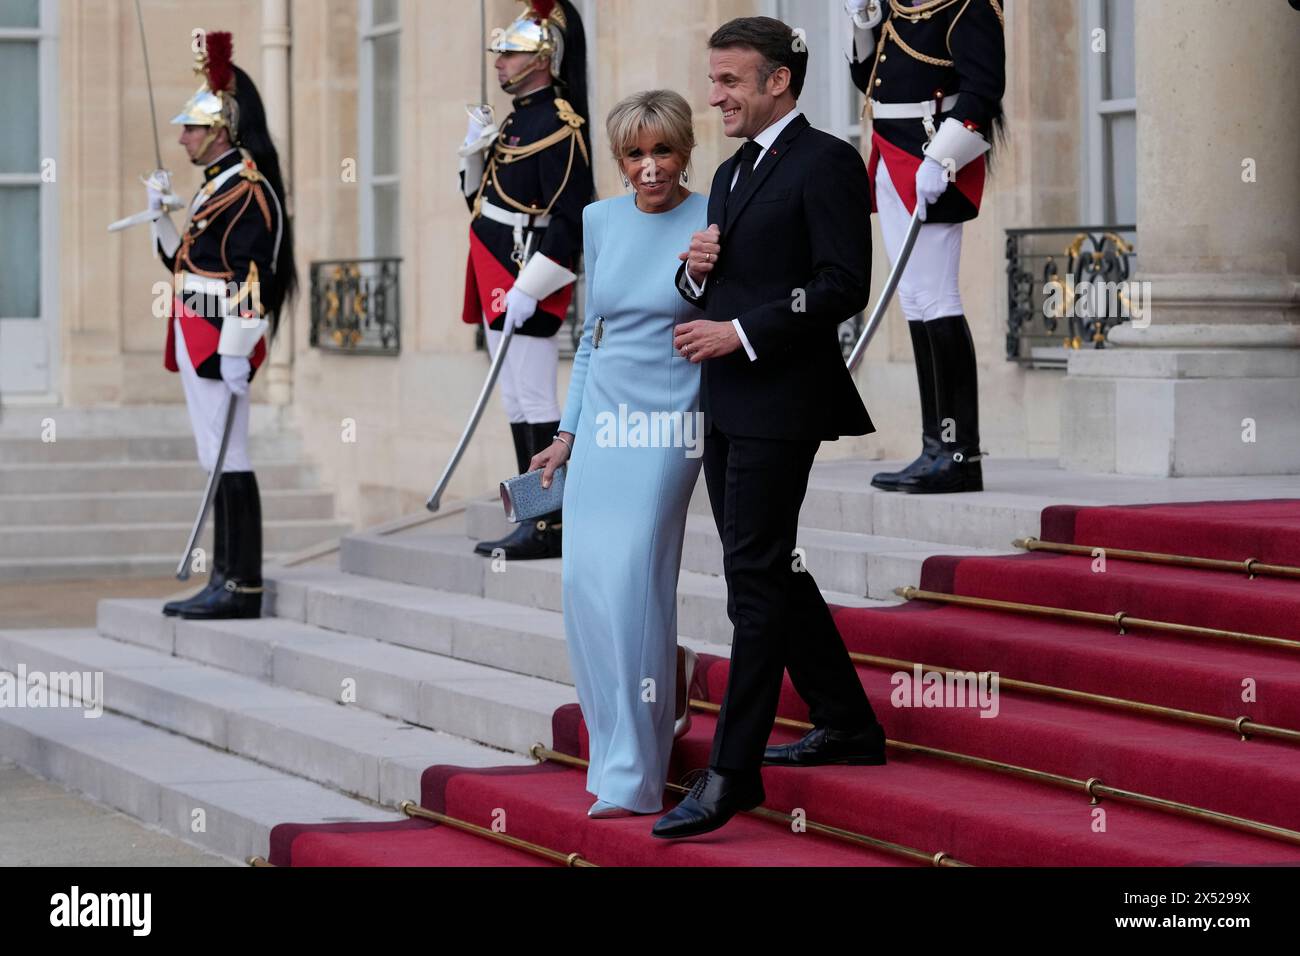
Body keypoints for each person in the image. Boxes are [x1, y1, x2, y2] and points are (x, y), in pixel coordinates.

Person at [652, 17, 887, 840]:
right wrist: (695, 270)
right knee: (769, 568)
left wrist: (742, 332)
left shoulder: (825, 160)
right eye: (712, 80)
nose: (713, 96)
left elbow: (841, 283)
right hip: (728, 398)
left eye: (729, 82)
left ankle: (732, 772)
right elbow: (709, 285)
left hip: (781, 399)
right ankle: (847, 722)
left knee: (752, 581)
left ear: (777, 81)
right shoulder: (729, 171)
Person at [531, 90, 709, 818]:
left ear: (684, 150)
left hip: (671, 422)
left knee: (634, 578)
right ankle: (614, 746)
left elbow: (719, 311)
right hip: (602, 420)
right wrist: (568, 433)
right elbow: (593, 335)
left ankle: (637, 772)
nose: (648, 167)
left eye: (661, 150)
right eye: (634, 154)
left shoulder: (711, 214)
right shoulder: (597, 219)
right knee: (586, 591)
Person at [151, 31, 297, 620]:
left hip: (219, 335)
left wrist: (239, 350)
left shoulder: (247, 189)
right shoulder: (216, 186)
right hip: (194, 325)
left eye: (192, 126)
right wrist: (161, 216)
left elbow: (253, 278)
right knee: (215, 454)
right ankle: (224, 578)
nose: (182, 135)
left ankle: (241, 585)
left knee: (229, 455)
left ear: (221, 130)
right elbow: (182, 261)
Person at [846, 0, 1006, 494]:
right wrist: (864, 23)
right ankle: (934, 447)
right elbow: (868, 79)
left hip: (934, 153)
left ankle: (960, 456)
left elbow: (983, 92)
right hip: (891, 151)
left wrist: (944, 158)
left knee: (938, 299)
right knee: (915, 301)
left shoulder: (970, 7)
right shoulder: (896, 7)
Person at [460, 0, 594, 560]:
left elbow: (569, 220)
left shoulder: (559, 122)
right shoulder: (516, 117)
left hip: (525, 275)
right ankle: (530, 517)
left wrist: (529, 287)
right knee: (515, 398)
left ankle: (549, 525)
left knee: (536, 396)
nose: (499, 62)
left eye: (510, 52)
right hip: (494, 269)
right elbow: (479, 201)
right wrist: (472, 151)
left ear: (542, 57)